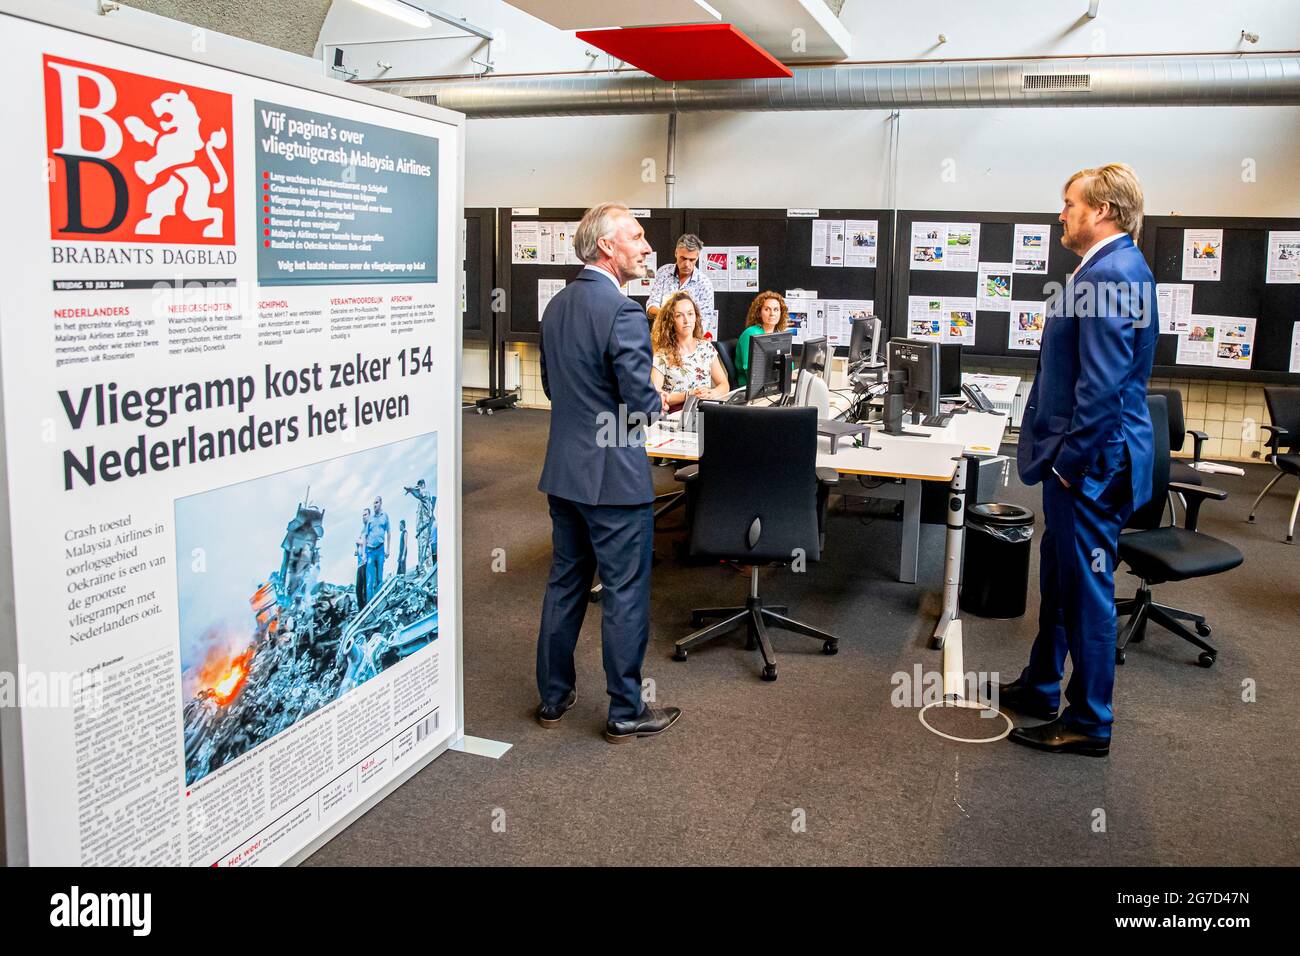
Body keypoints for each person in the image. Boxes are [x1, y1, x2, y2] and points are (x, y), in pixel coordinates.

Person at [988, 163, 1158, 757]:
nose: (1061, 213)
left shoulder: (1110, 275)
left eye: (1069, 204)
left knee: (1086, 589)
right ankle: (1040, 685)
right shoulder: (1113, 269)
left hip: (1090, 464)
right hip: (1090, 458)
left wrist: (1069, 465)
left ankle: (1090, 720)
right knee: (1060, 576)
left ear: (1102, 210)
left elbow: (1104, 388)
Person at [536, 201, 682, 743]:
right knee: (624, 590)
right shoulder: (622, 312)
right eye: (638, 238)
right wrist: (660, 398)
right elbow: (640, 406)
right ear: (607, 247)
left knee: (565, 582)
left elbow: (554, 389)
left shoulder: (557, 307)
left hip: (563, 471)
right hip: (614, 478)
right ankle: (625, 710)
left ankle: (553, 698)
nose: (647, 248)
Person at [650, 290, 730, 407]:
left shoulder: (706, 347)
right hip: (677, 414)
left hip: (706, 409)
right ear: (671, 321)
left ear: (696, 317)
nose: (686, 320)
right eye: (679, 315)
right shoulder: (662, 355)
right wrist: (689, 395)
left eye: (690, 314)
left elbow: (724, 385)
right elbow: (656, 395)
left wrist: (712, 393)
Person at [645, 233, 714, 325]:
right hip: (661, 336)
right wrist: (669, 316)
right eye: (683, 258)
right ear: (676, 253)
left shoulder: (704, 283)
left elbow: (705, 321)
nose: (686, 264)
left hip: (690, 337)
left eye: (691, 260)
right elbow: (651, 306)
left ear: (697, 257)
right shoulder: (663, 272)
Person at [735, 290, 790, 388]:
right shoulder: (751, 333)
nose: (772, 314)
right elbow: (750, 369)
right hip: (748, 388)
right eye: (767, 309)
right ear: (759, 312)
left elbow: (789, 365)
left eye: (776, 309)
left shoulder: (778, 334)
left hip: (772, 384)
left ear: (781, 313)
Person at [365, 495, 390, 599]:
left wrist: (388, 549)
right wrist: (364, 553)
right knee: (370, 580)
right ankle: (369, 605)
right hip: (370, 551)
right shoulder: (370, 519)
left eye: (376, 502)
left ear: (381, 503)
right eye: (374, 503)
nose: (374, 505)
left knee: (379, 577)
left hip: (380, 550)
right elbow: (366, 536)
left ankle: (378, 601)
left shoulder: (385, 516)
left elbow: (388, 532)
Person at [355, 508, 370, 611]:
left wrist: (359, 542)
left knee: (366, 588)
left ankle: (367, 610)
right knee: (358, 589)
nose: (363, 517)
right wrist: (356, 550)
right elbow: (360, 544)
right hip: (360, 563)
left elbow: (369, 543)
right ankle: (361, 611)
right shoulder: (362, 531)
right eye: (363, 515)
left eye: (365, 514)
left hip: (367, 562)